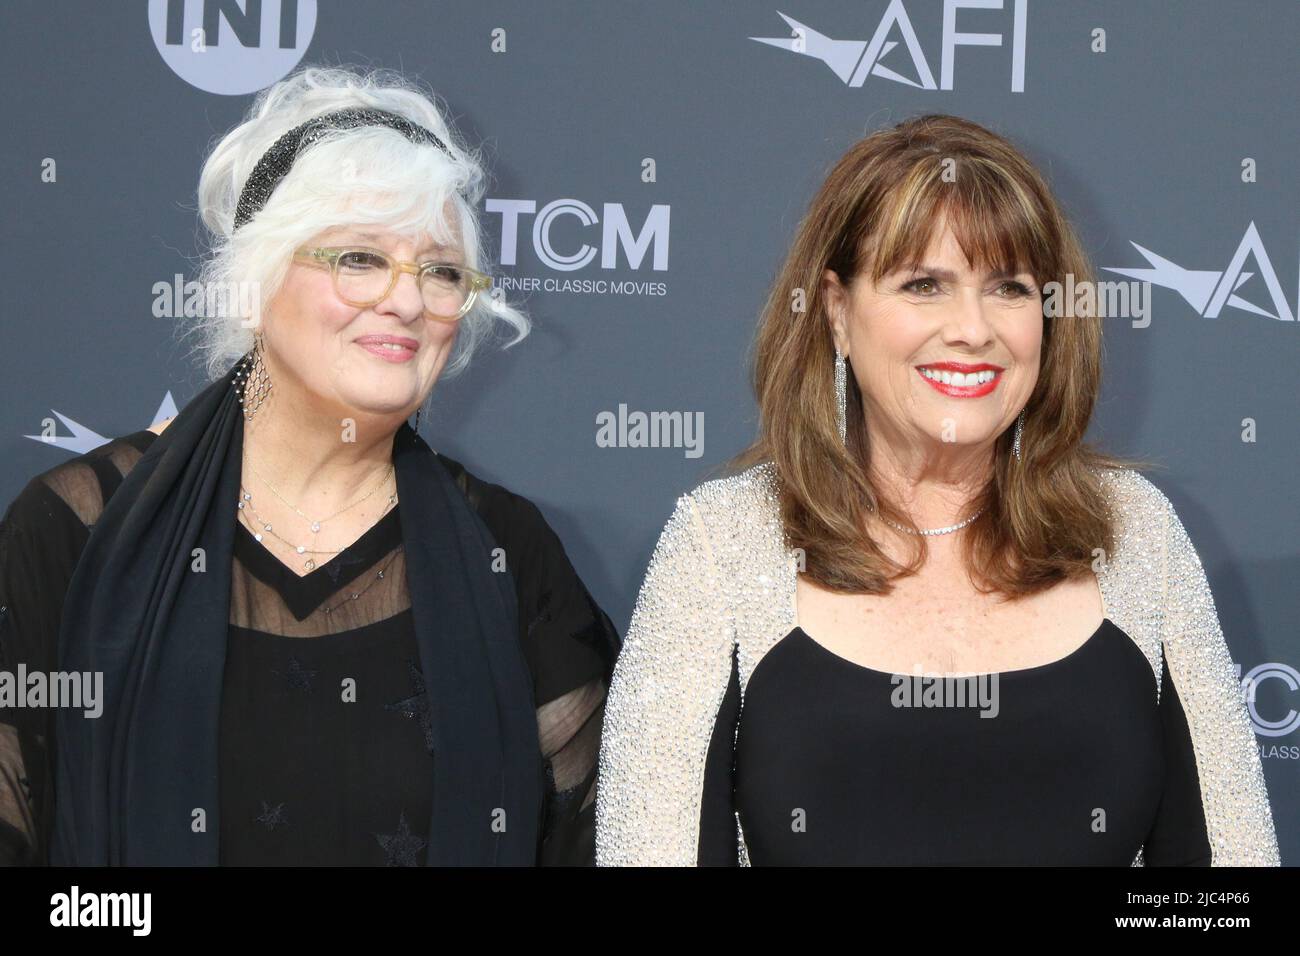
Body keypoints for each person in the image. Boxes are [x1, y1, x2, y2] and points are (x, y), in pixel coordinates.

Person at [594, 114, 1279, 866]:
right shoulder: (720, 545)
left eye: (1009, 289)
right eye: (924, 285)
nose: (972, 329)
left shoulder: (1134, 531)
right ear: (836, 312)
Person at [0, 66, 619, 866]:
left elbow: (606, 834)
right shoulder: (77, 528)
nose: (406, 301)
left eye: (439, 271)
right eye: (360, 258)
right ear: (256, 283)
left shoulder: (507, 551)